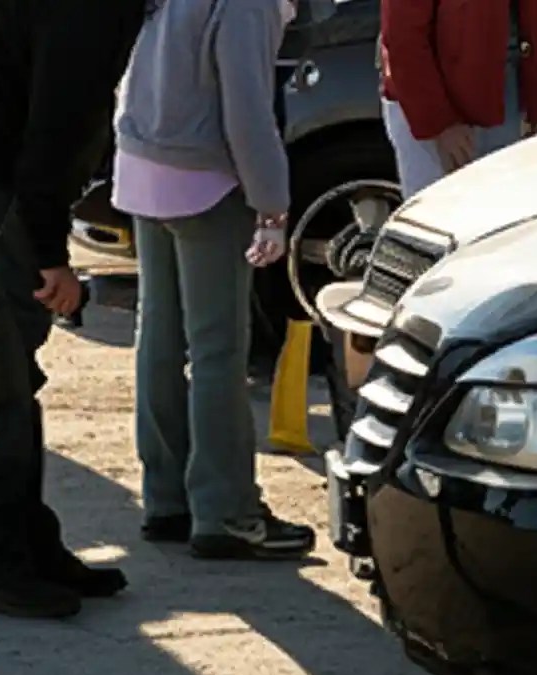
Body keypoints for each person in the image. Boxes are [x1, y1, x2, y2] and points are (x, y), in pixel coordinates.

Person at [0, 0, 146, 618]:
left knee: (8, 380)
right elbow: (57, 130)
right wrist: (50, 256)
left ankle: (25, 546)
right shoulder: (89, 12)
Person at [113, 0, 317, 560]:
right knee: (217, 350)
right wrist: (272, 204)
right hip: (204, 179)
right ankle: (226, 508)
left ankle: (167, 496)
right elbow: (247, 113)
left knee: (157, 336)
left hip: (142, 165)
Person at [379, 0, 537, 198]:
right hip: (435, 108)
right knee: (440, 216)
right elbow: (403, 38)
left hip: (505, 93)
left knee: (504, 215)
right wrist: (441, 125)